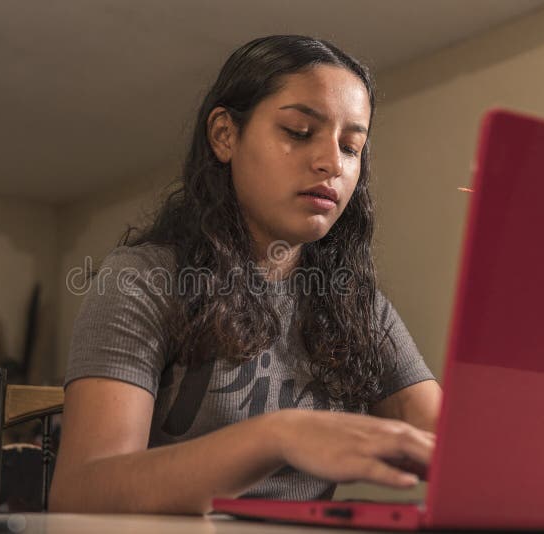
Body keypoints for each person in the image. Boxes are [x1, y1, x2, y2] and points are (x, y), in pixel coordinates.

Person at [49, 34, 441, 515]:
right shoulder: (142, 279)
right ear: (224, 135)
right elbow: (82, 491)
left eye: (352, 146)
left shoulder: (356, 303)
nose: (331, 163)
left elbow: (450, 447)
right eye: (299, 132)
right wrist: (278, 436)